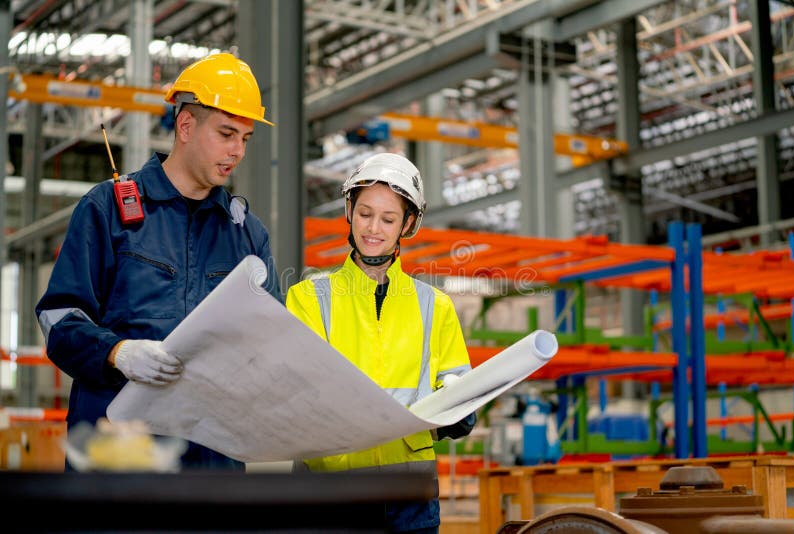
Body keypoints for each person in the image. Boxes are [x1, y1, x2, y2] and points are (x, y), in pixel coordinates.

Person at [35, 53, 282, 471]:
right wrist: (117, 352)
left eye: (245, 138)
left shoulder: (246, 234)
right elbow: (59, 318)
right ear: (186, 125)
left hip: (210, 461)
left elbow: (270, 340)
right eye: (226, 133)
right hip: (118, 456)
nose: (237, 150)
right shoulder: (108, 211)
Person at [286, 152, 476, 533]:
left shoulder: (434, 306)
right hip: (330, 491)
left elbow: (460, 393)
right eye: (364, 214)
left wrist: (458, 398)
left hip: (410, 494)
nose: (373, 228)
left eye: (388, 219)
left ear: (408, 224)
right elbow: (291, 393)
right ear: (349, 212)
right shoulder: (308, 298)